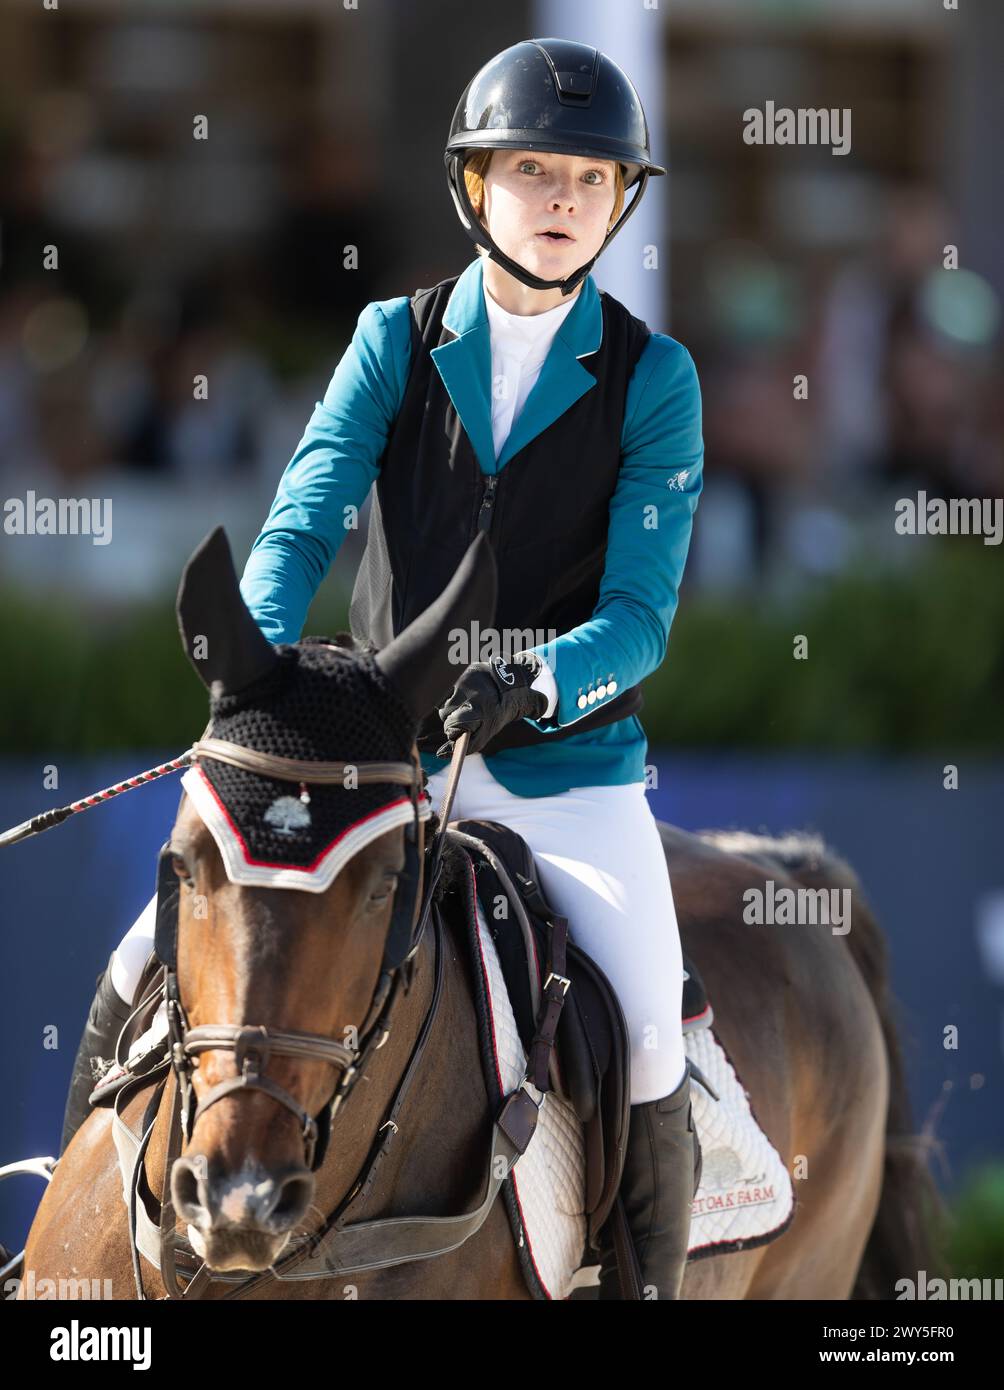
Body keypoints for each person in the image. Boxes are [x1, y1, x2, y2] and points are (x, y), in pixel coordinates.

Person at [60, 38, 705, 1300]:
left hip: (566, 774)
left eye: (591, 178)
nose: (565, 198)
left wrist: (534, 680)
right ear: (474, 185)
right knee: (140, 961)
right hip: (370, 761)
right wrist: (255, 663)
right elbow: (305, 518)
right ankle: (69, 1249)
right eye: (534, 170)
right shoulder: (390, 340)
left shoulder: (653, 377)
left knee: (642, 1035)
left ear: (619, 200)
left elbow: (639, 616)